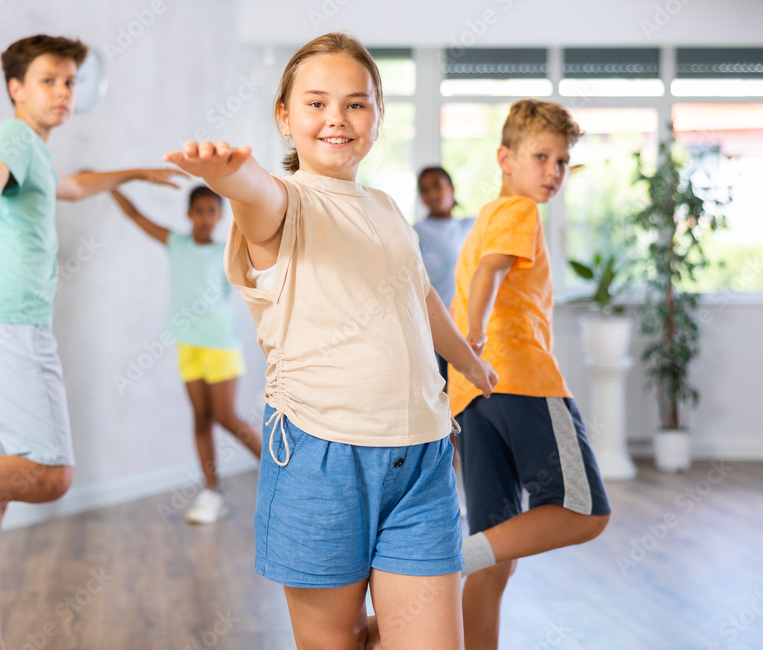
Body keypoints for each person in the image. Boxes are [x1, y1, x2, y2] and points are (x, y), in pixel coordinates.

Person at [165, 32, 497, 650]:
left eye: (356, 103)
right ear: (284, 116)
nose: (337, 119)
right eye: (316, 103)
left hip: (424, 459)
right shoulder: (283, 202)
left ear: (376, 116)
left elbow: (420, 297)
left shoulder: (388, 208)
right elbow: (259, 198)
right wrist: (234, 178)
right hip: (322, 459)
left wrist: (468, 360)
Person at [0, 34, 185, 649]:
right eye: (49, 80)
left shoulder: (39, 153)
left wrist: (134, 172)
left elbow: (71, 186)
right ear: (17, 88)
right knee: (50, 476)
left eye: (70, 81)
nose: (64, 91)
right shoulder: (16, 138)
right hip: (9, 323)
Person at [448, 99, 612, 649]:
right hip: (519, 378)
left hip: (473, 395)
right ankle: (449, 559)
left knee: (495, 559)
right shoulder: (519, 212)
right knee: (583, 511)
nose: (552, 172)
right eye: (540, 157)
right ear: (505, 158)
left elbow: (478, 274)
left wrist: (465, 360)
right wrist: (474, 335)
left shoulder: (483, 219)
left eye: (562, 162)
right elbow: (491, 275)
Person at [110, 186, 262, 524]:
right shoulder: (177, 245)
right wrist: (109, 184)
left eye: (212, 211)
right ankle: (213, 492)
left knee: (227, 417)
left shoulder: (228, 252)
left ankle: (282, 479)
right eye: (199, 211)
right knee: (201, 419)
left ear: (220, 216)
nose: (205, 218)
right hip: (187, 344)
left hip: (220, 344)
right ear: (188, 214)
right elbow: (135, 215)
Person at [413, 166, 475, 386]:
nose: (432, 194)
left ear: (452, 188)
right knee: (442, 392)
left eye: (438, 186)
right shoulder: (416, 233)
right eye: (425, 190)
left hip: (468, 326)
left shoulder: (470, 226)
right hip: (434, 329)